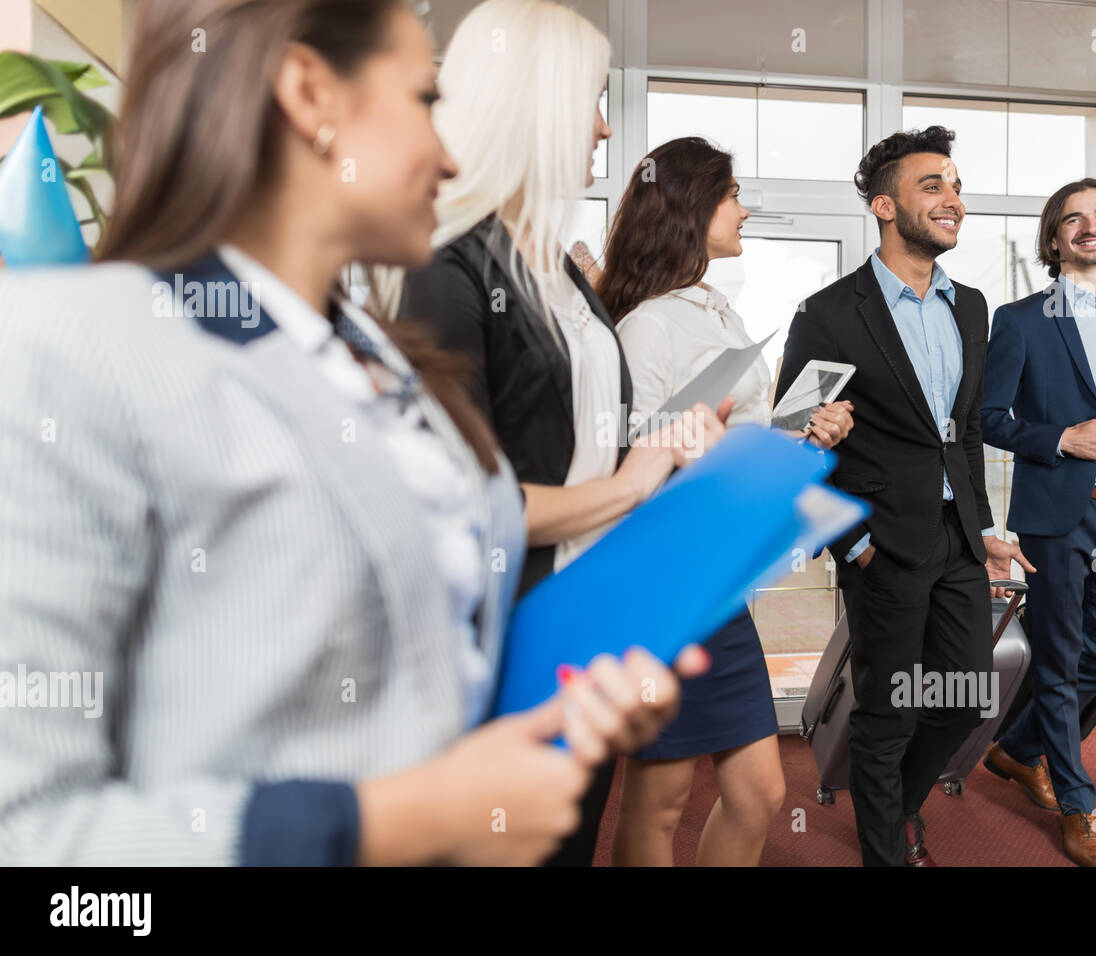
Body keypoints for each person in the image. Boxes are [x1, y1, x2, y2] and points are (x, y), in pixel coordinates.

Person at [0, 0, 703, 866]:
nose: (449, 153)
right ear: (309, 93)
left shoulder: (376, 356)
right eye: (422, 100)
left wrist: (554, 711)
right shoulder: (67, 351)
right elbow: (30, 839)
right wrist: (404, 821)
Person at [397, 0, 729, 866]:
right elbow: (458, 502)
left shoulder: (557, 271)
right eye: (589, 98)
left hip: (578, 627)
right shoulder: (448, 264)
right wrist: (627, 482)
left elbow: (579, 443)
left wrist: (666, 453)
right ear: (533, 104)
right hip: (498, 643)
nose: (603, 127)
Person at [777, 125, 1034, 867]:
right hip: (878, 547)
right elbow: (794, 439)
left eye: (957, 186)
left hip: (956, 542)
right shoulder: (828, 312)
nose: (953, 200)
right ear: (885, 207)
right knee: (889, 713)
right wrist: (850, 542)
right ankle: (885, 852)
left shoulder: (971, 305)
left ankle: (896, 815)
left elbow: (966, 432)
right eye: (934, 186)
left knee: (962, 699)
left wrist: (982, 527)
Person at [597, 136, 854, 866]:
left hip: (718, 587)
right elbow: (633, 465)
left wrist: (804, 436)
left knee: (759, 794)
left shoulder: (713, 309)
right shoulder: (645, 324)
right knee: (660, 801)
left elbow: (734, 438)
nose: (746, 208)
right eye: (733, 194)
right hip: (663, 589)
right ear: (690, 205)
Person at [980, 178, 1096, 867]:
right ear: (1055, 237)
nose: (1090, 227)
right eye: (1074, 219)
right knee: (1059, 662)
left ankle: (1019, 748)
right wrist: (1062, 438)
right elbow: (989, 420)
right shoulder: (1021, 318)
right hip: (1059, 517)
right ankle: (1076, 804)